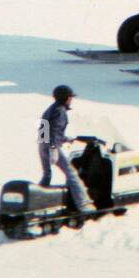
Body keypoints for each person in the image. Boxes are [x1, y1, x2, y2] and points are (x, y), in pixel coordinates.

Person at [37, 85, 96, 213]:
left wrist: (66, 139)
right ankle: (84, 204)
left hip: (42, 145)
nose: (71, 100)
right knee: (72, 173)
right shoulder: (60, 111)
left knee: (47, 175)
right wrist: (53, 147)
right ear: (66, 98)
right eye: (70, 97)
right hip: (51, 147)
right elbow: (55, 130)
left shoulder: (50, 109)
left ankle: (37, 202)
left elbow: (45, 130)